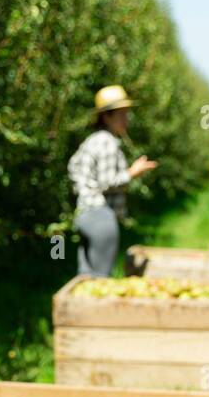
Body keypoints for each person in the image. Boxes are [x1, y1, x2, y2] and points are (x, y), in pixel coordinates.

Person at [67, 85, 158, 276]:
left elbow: (73, 167)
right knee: (101, 277)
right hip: (101, 216)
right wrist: (132, 173)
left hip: (84, 213)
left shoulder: (93, 140)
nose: (127, 119)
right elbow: (106, 181)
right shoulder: (107, 142)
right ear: (106, 117)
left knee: (86, 275)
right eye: (122, 114)